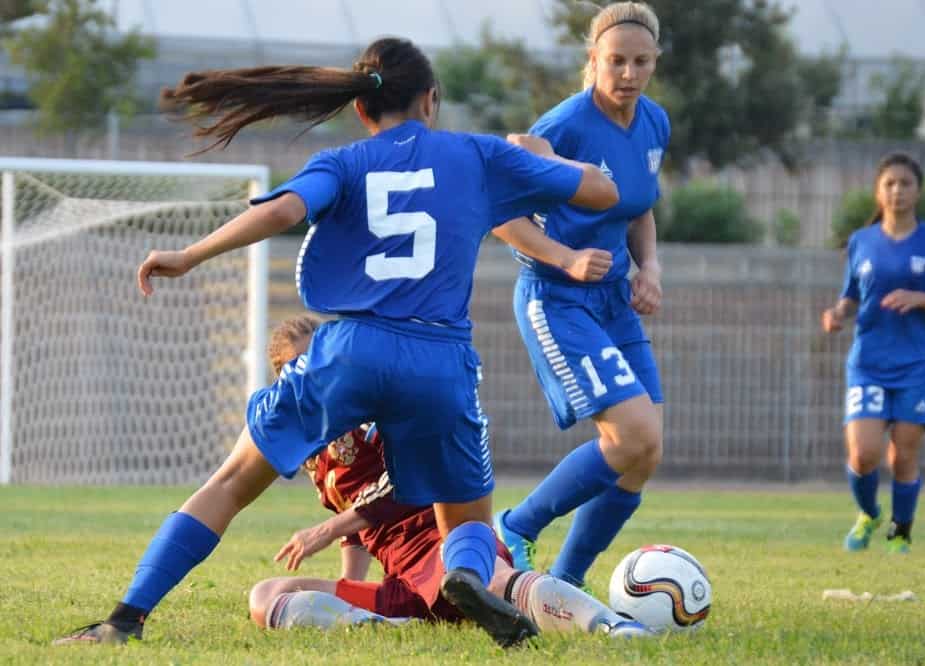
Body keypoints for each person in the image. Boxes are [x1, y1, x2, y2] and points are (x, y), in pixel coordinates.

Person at [54, 36, 618, 648]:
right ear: (432, 100)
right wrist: (542, 156)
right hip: (439, 356)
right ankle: (463, 576)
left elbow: (280, 212)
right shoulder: (478, 155)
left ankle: (125, 618)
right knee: (469, 518)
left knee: (228, 485)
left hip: (349, 347)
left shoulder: (345, 162)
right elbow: (600, 192)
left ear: (360, 109)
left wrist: (188, 254)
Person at [246, 316, 652, 638]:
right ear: (284, 379)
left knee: (493, 580)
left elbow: (408, 479)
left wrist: (327, 529)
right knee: (266, 596)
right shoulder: (314, 452)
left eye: (315, 359)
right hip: (405, 581)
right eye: (298, 367)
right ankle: (382, 626)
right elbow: (358, 530)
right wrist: (347, 587)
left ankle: (613, 627)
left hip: (442, 543)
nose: (313, 373)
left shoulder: (365, 409)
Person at [493, 2, 669, 589]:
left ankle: (566, 580)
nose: (628, 72)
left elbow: (638, 205)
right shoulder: (560, 128)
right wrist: (565, 258)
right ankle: (514, 527)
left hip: (614, 300)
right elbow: (503, 218)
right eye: (615, 60)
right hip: (557, 299)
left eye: (640, 61)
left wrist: (650, 269)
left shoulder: (654, 123)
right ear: (593, 60)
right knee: (632, 435)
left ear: (654, 63)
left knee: (643, 454)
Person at [821, 152, 925, 554]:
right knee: (863, 453)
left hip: (920, 363)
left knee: (902, 456)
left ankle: (901, 531)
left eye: (905, 183)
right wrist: (837, 314)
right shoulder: (861, 241)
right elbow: (851, 295)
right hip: (868, 362)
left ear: (918, 191)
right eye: (889, 183)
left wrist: (919, 297)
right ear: (878, 190)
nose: (897, 191)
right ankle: (869, 513)